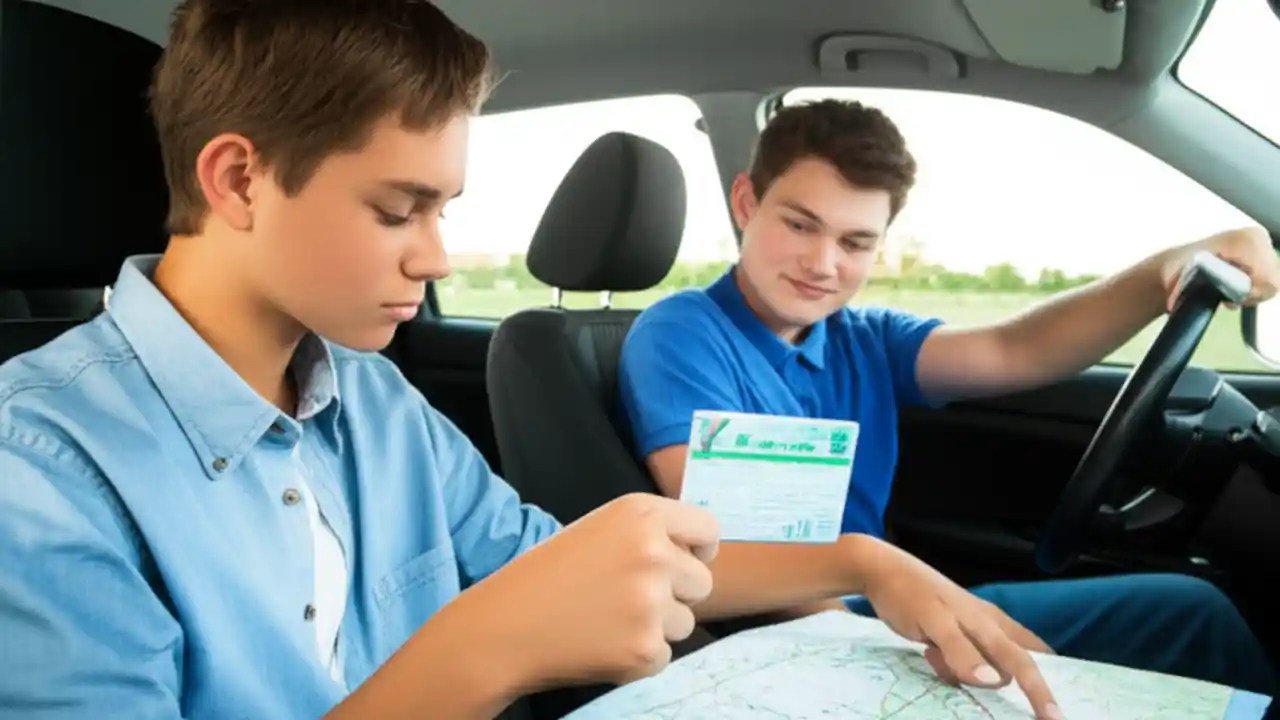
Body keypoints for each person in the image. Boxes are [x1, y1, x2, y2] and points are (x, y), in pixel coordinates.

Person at [0, 2, 729, 719]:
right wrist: (483, 654)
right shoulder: (39, 466)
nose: (436, 257)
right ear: (238, 180)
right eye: (395, 211)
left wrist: (843, 558)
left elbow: (546, 558)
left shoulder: (376, 398)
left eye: (441, 211)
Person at [618, 99, 1280, 700]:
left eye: (855, 242)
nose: (823, 263)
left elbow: (1016, 349)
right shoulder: (682, 336)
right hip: (797, 632)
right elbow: (717, 551)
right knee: (1191, 618)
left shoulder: (863, 338)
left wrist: (1165, 270)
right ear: (745, 204)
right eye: (800, 225)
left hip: (871, 608)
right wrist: (878, 607)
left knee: (1193, 611)